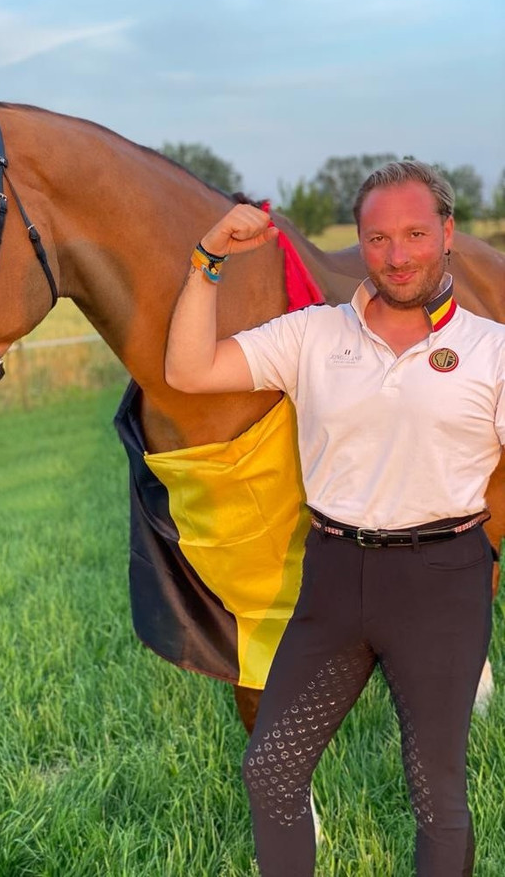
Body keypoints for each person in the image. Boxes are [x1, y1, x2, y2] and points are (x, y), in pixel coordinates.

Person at [164, 161, 504, 877]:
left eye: (415, 234)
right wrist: (207, 260)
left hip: (441, 581)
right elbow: (188, 371)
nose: (397, 255)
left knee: (435, 793)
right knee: (271, 769)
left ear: (446, 233)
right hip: (334, 580)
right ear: (359, 242)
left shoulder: (491, 350)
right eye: (378, 238)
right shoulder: (313, 335)